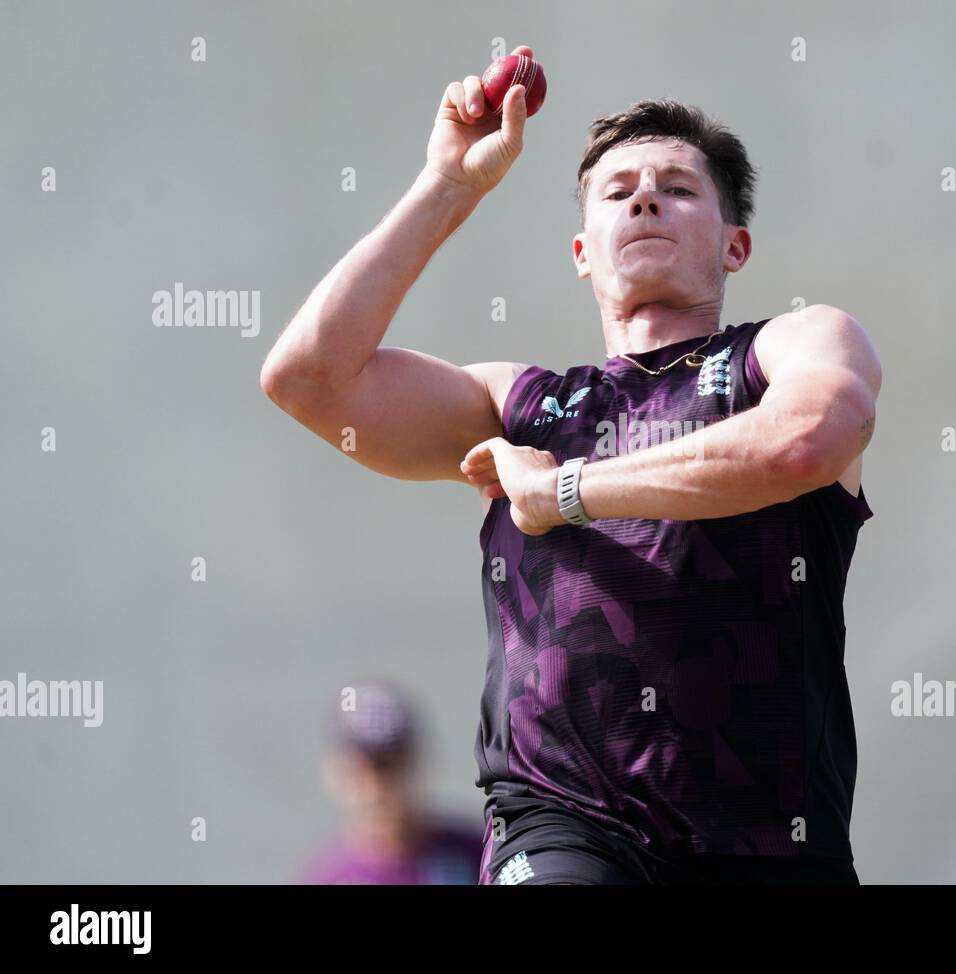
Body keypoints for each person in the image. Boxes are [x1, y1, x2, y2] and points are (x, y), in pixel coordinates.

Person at [262, 44, 883, 885]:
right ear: (584, 252)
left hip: (769, 839)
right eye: (618, 192)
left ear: (734, 247)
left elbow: (808, 439)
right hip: (559, 827)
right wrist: (448, 188)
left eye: (678, 188)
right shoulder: (520, 404)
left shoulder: (786, 348)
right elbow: (308, 380)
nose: (646, 199)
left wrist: (564, 492)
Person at [301, 681, 481, 885]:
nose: (374, 788)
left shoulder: (476, 855)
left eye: (387, 767)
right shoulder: (326, 878)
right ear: (333, 772)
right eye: (358, 772)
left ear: (415, 764)